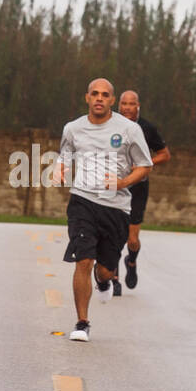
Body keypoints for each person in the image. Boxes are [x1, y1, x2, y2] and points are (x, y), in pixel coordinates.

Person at [55, 78, 152, 341]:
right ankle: (82, 322)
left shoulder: (129, 129)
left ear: (112, 100)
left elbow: (144, 166)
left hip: (116, 207)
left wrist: (122, 182)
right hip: (82, 201)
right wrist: (60, 168)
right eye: (94, 94)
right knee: (83, 259)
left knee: (104, 268)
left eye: (105, 95)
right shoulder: (73, 128)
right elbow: (65, 154)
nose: (99, 98)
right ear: (87, 97)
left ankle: (105, 280)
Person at [115, 89, 169, 295]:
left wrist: (144, 164)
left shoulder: (147, 128)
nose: (127, 108)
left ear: (138, 106)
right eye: (124, 104)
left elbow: (165, 154)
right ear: (119, 105)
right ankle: (114, 278)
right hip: (116, 186)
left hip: (138, 187)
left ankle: (131, 261)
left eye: (131, 104)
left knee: (132, 239)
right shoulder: (111, 125)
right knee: (114, 234)